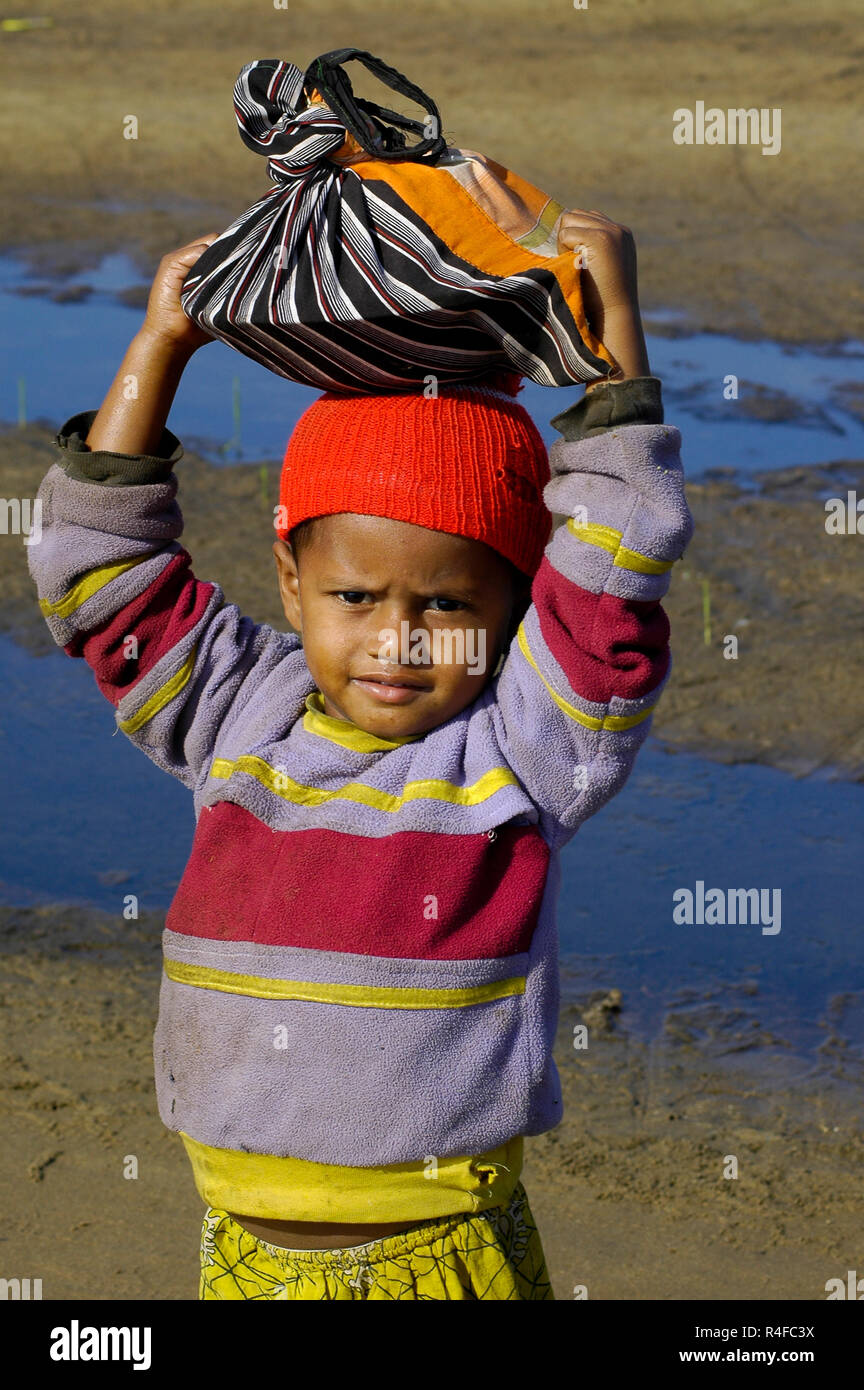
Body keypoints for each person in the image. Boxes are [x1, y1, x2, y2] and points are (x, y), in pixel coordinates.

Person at [28, 211, 693, 1300]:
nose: (396, 639)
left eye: (445, 602)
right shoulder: (239, 710)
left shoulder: (525, 751)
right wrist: (161, 343)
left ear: (518, 608)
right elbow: (98, 569)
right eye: (353, 596)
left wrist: (613, 325)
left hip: (435, 1262)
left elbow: (616, 562)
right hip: (240, 1261)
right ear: (291, 583)